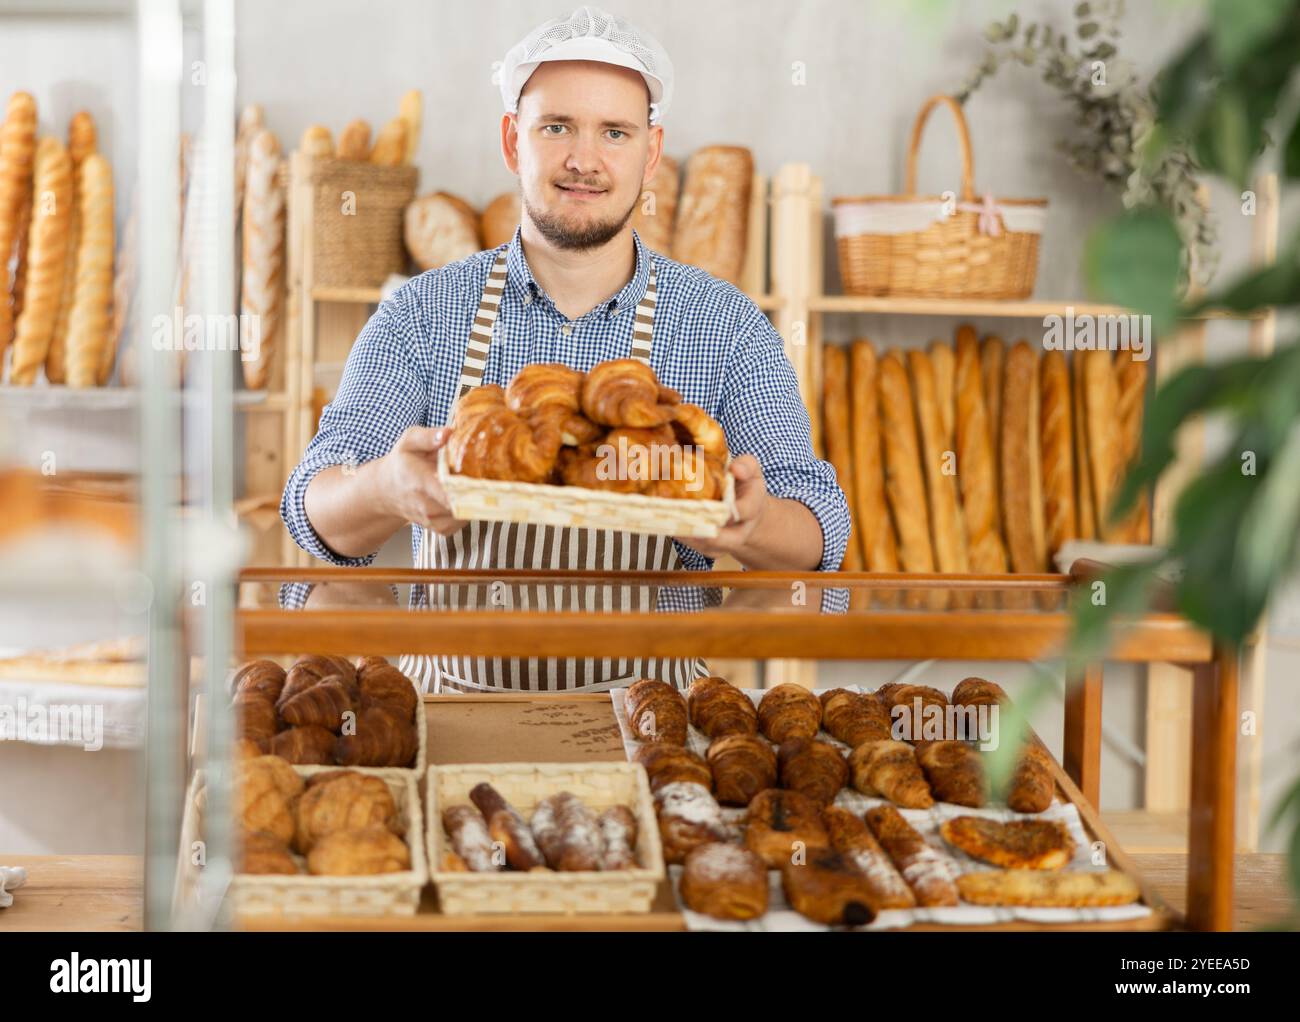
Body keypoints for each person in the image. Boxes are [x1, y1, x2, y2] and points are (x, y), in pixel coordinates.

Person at [280, 6, 850, 693]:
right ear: (513, 141)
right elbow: (316, 514)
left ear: (652, 153)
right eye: (557, 128)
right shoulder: (422, 313)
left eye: (615, 132)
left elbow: (818, 533)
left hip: (653, 730)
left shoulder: (724, 325)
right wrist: (386, 486)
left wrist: (751, 524)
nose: (585, 159)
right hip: (456, 719)